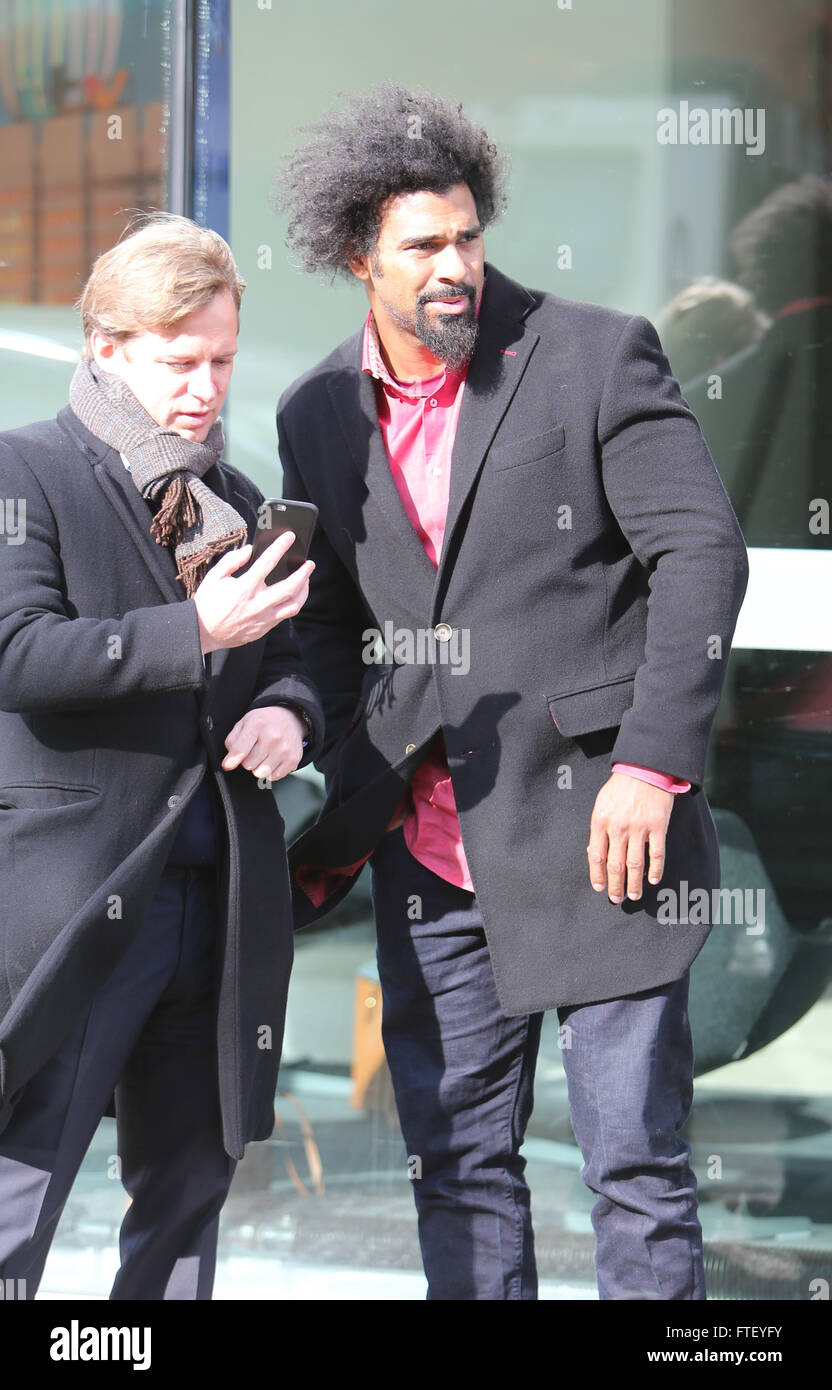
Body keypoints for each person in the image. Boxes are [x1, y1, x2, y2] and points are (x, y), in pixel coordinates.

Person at [274, 84, 748, 1300]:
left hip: (605, 835)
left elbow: (701, 554)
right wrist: (303, 726)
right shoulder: (318, 412)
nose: (455, 266)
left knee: (634, 1166)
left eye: (468, 236)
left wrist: (651, 765)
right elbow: (338, 622)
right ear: (355, 257)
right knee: (459, 1167)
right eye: (423, 245)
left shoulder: (591, 351)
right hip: (431, 853)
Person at [0, 213, 323, 1300]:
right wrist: (195, 634)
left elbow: (288, 658)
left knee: (189, 1198)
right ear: (105, 347)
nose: (206, 386)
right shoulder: (25, 469)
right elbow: (15, 653)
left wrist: (290, 713)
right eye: (179, 360)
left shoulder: (229, 494)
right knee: (20, 1195)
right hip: (82, 897)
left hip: (221, 904)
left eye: (222, 360)